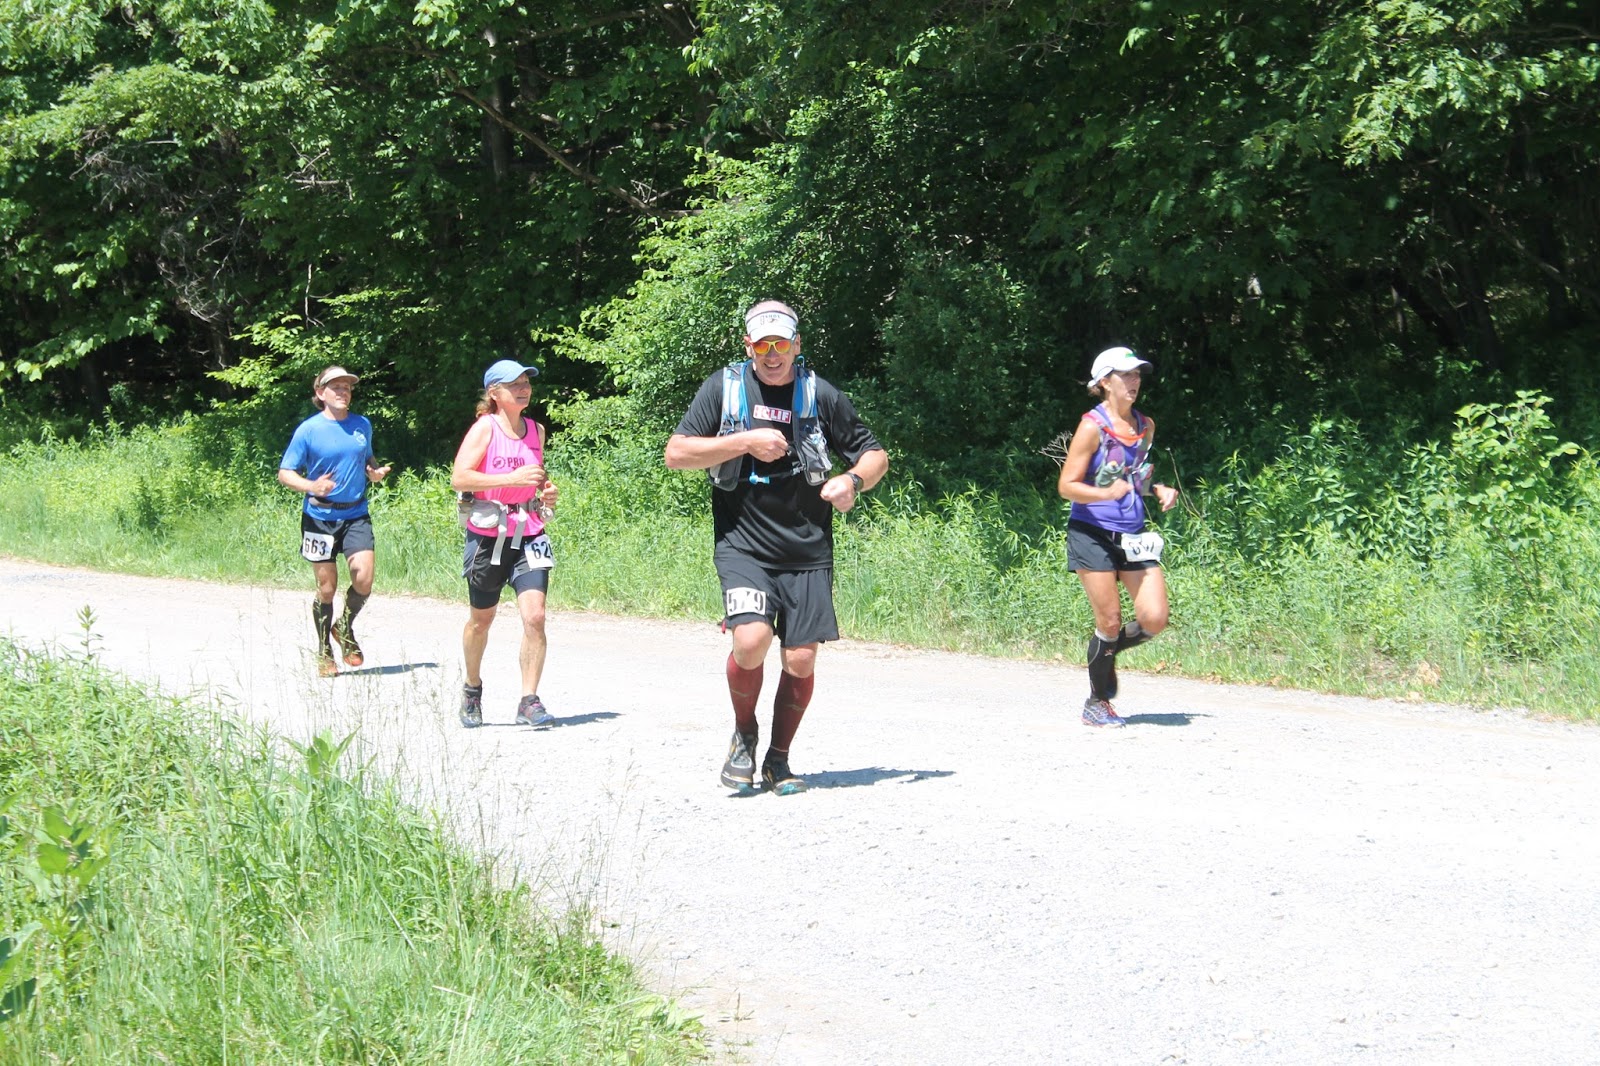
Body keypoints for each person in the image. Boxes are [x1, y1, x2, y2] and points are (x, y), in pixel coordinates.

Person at [665, 300, 889, 795]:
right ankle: (744, 733)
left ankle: (778, 760)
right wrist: (744, 442)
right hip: (742, 543)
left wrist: (852, 481)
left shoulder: (819, 393)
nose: (772, 354)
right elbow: (677, 453)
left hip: (807, 547)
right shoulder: (723, 389)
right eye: (763, 344)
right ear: (748, 346)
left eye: (781, 343)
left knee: (801, 660)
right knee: (750, 641)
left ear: (796, 344)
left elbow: (875, 455)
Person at [1055, 346, 1180, 727]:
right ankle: (1096, 703)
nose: (1134, 381)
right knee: (1109, 620)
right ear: (1105, 382)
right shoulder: (1091, 427)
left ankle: (1105, 650)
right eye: (1126, 375)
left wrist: (1156, 489)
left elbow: (1132, 475)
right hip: (1091, 533)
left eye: (1137, 374)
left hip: (1132, 534)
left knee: (1155, 618)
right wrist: (1104, 493)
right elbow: (1067, 486)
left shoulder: (1145, 426)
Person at [450, 358, 561, 729]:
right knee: (481, 621)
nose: (523, 388)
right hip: (489, 536)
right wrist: (511, 477)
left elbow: (538, 478)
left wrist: (547, 493)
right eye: (514, 384)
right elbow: (459, 477)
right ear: (494, 393)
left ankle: (529, 700)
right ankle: (472, 688)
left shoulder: (536, 430)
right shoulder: (485, 429)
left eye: (526, 382)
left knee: (536, 616)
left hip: (530, 532)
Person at [277, 366, 392, 677]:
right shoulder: (309, 430)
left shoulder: (362, 425)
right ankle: (324, 649)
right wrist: (311, 486)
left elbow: (368, 458)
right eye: (336, 387)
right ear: (320, 393)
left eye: (347, 387)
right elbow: (285, 473)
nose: (343, 392)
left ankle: (344, 627)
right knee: (326, 589)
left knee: (364, 579)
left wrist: (374, 472)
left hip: (356, 514)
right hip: (320, 517)